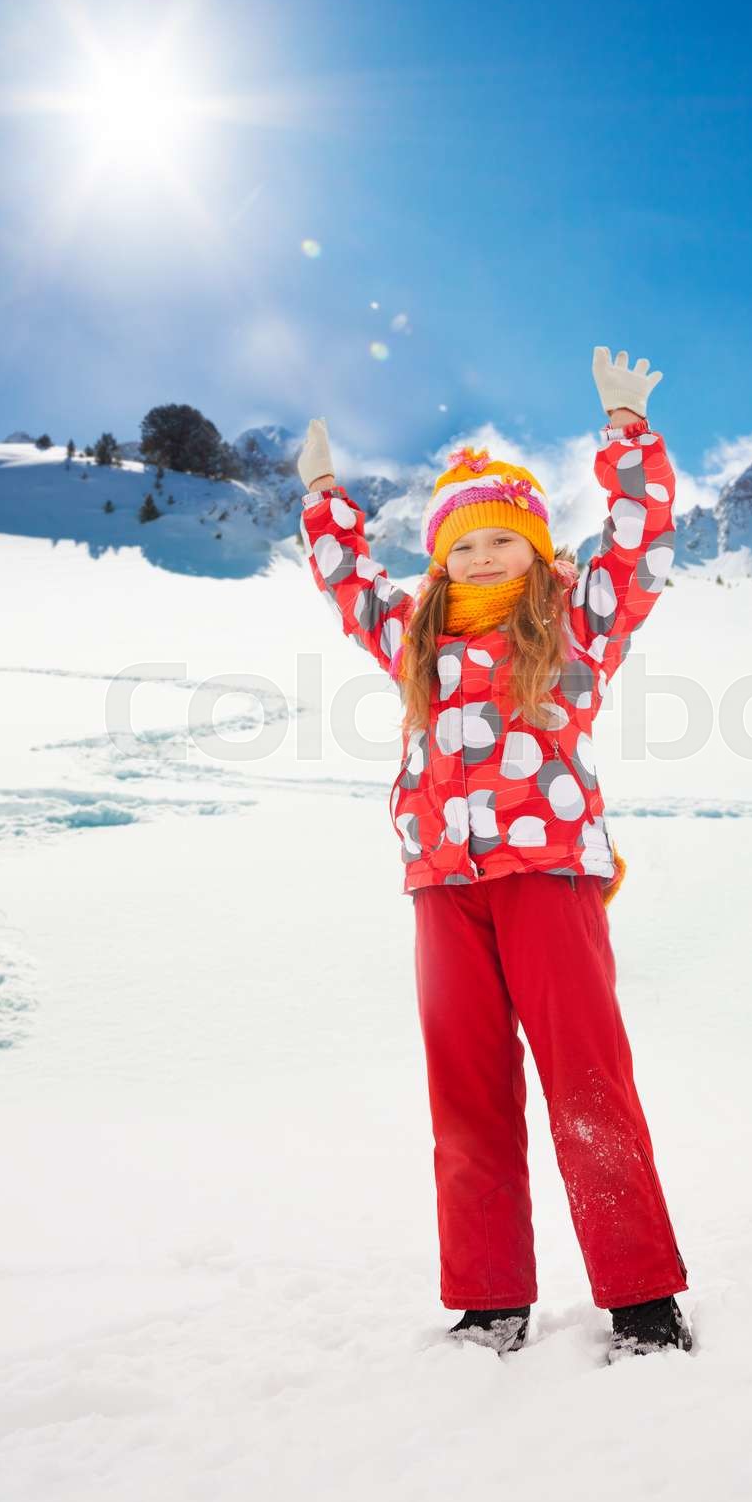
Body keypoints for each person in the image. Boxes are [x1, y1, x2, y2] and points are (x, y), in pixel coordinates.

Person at [297, 348, 694, 1363]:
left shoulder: (572, 624)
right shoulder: (413, 638)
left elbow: (638, 540)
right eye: (460, 544)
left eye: (499, 541)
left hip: (547, 879)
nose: (479, 558)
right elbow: (347, 583)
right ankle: (488, 1300)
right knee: (465, 1093)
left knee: (585, 1080)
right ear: (439, 558)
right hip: (442, 890)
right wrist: (321, 496)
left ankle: (642, 1296)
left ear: (531, 548)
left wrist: (624, 429)